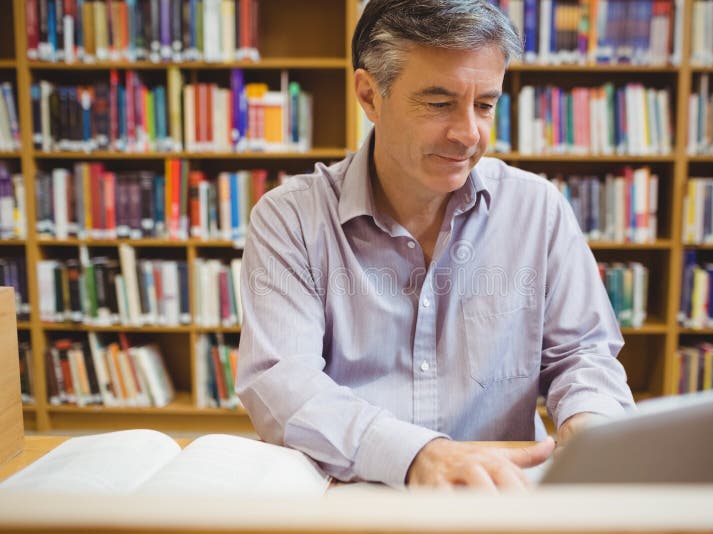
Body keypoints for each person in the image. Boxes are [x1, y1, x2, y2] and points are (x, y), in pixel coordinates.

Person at [236, 0, 635, 490]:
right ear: (369, 95)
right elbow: (283, 383)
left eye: (485, 104)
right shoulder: (291, 218)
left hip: (504, 494)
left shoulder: (538, 209)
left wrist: (590, 422)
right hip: (360, 496)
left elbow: (582, 354)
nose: (469, 133)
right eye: (439, 103)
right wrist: (418, 456)